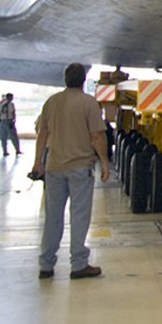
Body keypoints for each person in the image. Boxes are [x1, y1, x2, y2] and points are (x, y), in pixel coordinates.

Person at [31, 63, 110, 281]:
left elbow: (42, 134)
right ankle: (79, 265)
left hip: (54, 167)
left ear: (65, 79)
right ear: (83, 80)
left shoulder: (51, 102)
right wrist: (104, 162)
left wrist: (37, 162)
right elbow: (97, 136)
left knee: (52, 217)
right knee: (79, 215)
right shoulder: (88, 103)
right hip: (79, 167)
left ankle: (46, 265)